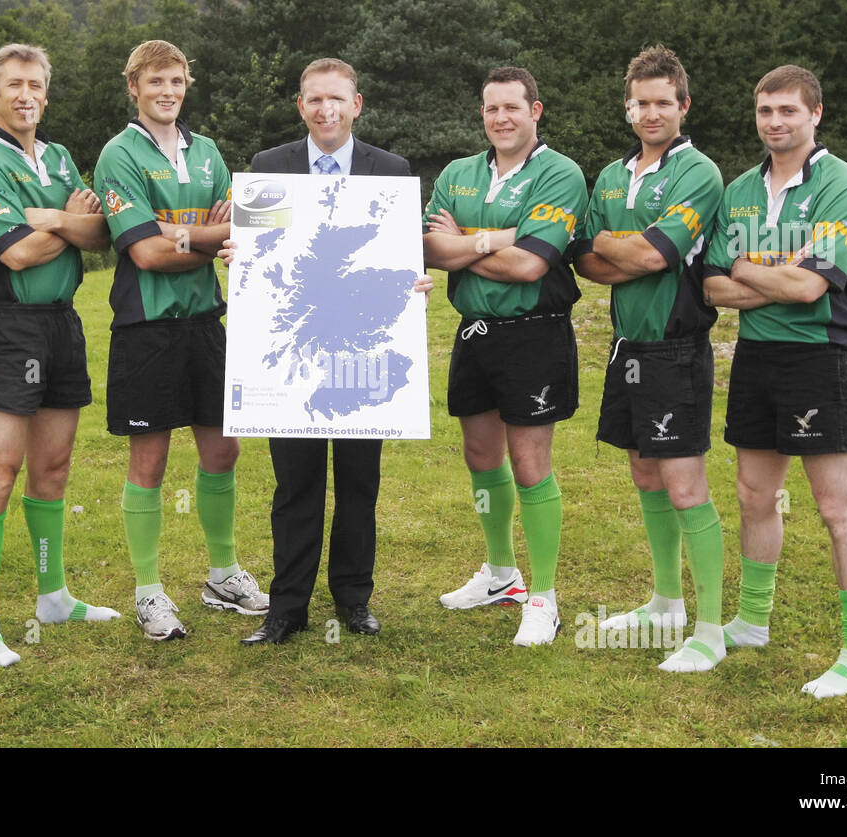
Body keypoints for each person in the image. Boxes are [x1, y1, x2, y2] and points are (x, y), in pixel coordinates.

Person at [703, 65, 847, 697]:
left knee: (837, 507)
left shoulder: (842, 184)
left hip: (817, 358)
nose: (775, 122)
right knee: (754, 496)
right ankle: (752, 622)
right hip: (756, 358)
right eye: (765, 111)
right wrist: (768, 271)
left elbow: (810, 289)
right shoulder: (741, 188)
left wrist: (749, 269)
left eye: (788, 112)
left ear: (815, 115)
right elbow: (712, 285)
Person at [0, 43, 118, 668]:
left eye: (36, 85)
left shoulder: (61, 156)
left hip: (62, 324)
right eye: (14, 84)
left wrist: (49, 221)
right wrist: (65, 224)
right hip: (6, 328)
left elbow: (102, 233)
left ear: (47, 94)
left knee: (53, 468)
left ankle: (52, 595)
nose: (26, 95)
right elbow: (14, 253)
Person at [94, 40, 266, 641]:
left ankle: (222, 576)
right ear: (134, 87)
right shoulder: (118, 155)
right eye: (155, 82)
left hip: (206, 321)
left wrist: (178, 230)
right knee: (151, 459)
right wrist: (198, 234)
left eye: (176, 81)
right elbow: (144, 251)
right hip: (146, 326)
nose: (167, 91)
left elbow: (236, 230)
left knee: (224, 451)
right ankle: (148, 592)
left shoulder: (209, 151)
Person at [239, 58, 413, 645]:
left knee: (360, 482)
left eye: (337, 99)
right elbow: (264, 256)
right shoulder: (270, 169)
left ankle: (354, 601)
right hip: (292, 349)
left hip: (362, 345)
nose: (326, 110)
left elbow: (395, 258)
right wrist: (243, 261)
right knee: (295, 485)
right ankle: (286, 608)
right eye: (315, 100)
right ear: (301, 106)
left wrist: (414, 280)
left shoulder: (390, 171)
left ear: (357, 104)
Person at [573, 46, 728, 672]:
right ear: (628, 107)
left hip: (675, 346)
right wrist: (618, 248)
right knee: (644, 474)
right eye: (642, 102)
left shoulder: (700, 173)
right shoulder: (611, 175)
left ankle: (712, 629)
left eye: (664, 102)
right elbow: (583, 259)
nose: (652, 112)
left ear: (683, 105)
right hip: (625, 346)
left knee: (685, 485)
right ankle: (666, 602)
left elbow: (655, 257)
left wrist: (620, 248)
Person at [423, 67, 587, 647]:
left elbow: (530, 265)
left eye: (512, 108)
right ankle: (500, 575)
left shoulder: (560, 173)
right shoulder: (459, 173)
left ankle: (543, 596)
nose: (500, 118)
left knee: (529, 461)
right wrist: (498, 236)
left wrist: (466, 241)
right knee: (480, 454)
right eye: (491, 109)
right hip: (475, 330)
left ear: (535, 110)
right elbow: (430, 248)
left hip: (535, 330)